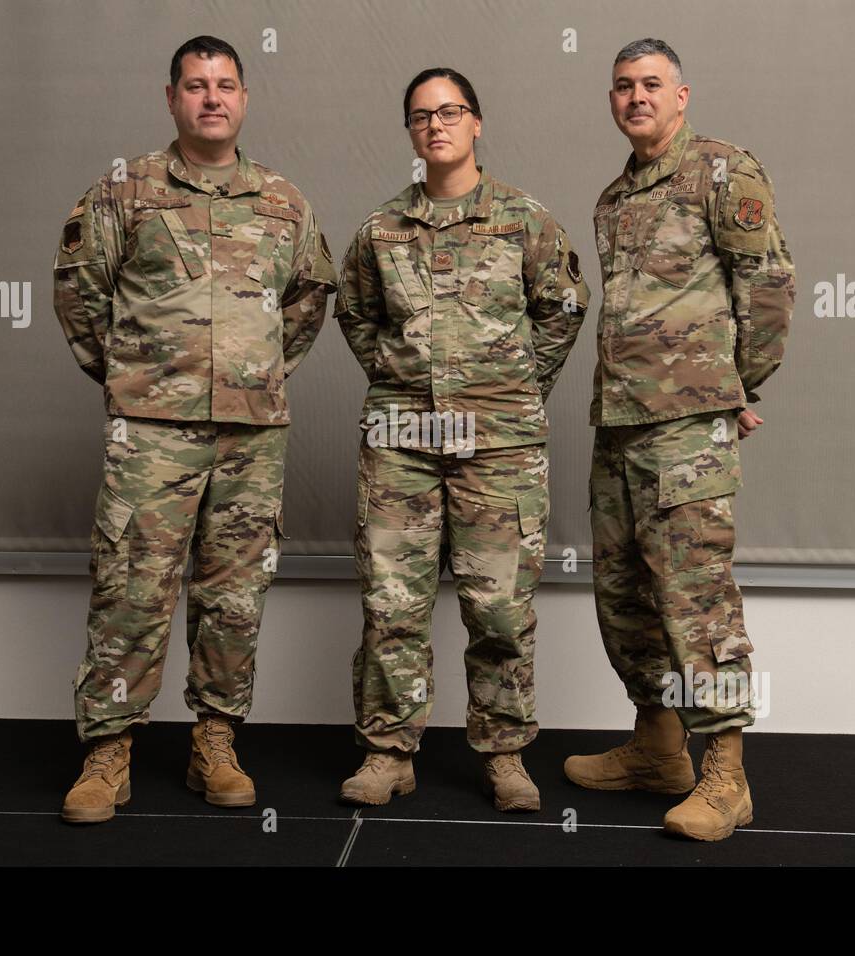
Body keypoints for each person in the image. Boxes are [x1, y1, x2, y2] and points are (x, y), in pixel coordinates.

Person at [52, 35, 337, 824]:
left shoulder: (283, 202)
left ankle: (216, 740)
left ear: (244, 99)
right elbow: (80, 294)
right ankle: (108, 752)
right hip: (150, 433)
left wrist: (255, 375)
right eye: (196, 85)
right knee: (131, 589)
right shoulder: (125, 192)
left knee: (235, 595)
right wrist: (131, 377)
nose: (212, 98)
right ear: (171, 98)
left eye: (226, 85)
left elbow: (309, 300)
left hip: (252, 435)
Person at [334, 68, 590, 811]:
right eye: (421, 116)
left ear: (477, 123)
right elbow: (354, 314)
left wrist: (509, 390)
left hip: (500, 444)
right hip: (402, 438)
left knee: (501, 608)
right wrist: (399, 377)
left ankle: (505, 754)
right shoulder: (381, 230)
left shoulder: (524, 220)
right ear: (410, 132)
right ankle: (388, 751)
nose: (436, 125)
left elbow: (563, 309)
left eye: (450, 112)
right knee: (392, 603)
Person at [566, 39, 796, 841]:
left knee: (698, 603)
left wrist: (736, 388)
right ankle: (657, 747)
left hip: (687, 432)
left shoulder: (723, 173)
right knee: (625, 598)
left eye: (652, 85)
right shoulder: (613, 199)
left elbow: (766, 284)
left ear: (682, 95)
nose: (637, 97)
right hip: (619, 425)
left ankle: (726, 777)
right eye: (624, 86)